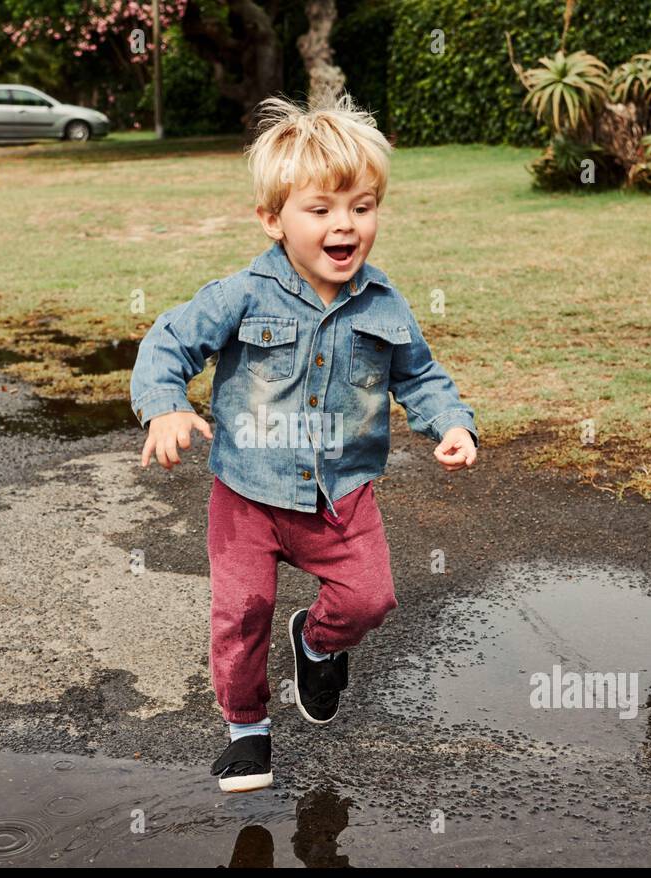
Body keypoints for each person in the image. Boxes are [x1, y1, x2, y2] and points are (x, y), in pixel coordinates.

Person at [129, 88, 478, 792]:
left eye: (361, 206)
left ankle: (317, 645)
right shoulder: (241, 294)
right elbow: (168, 342)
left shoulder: (384, 303)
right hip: (248, 493)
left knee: (370, 599)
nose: (343, 225)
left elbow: (421, 373)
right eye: (320, 210)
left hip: (341, 495)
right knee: (242, 610)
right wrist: (165, 406)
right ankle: (248, 727)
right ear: (273, 218)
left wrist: (452, 421)